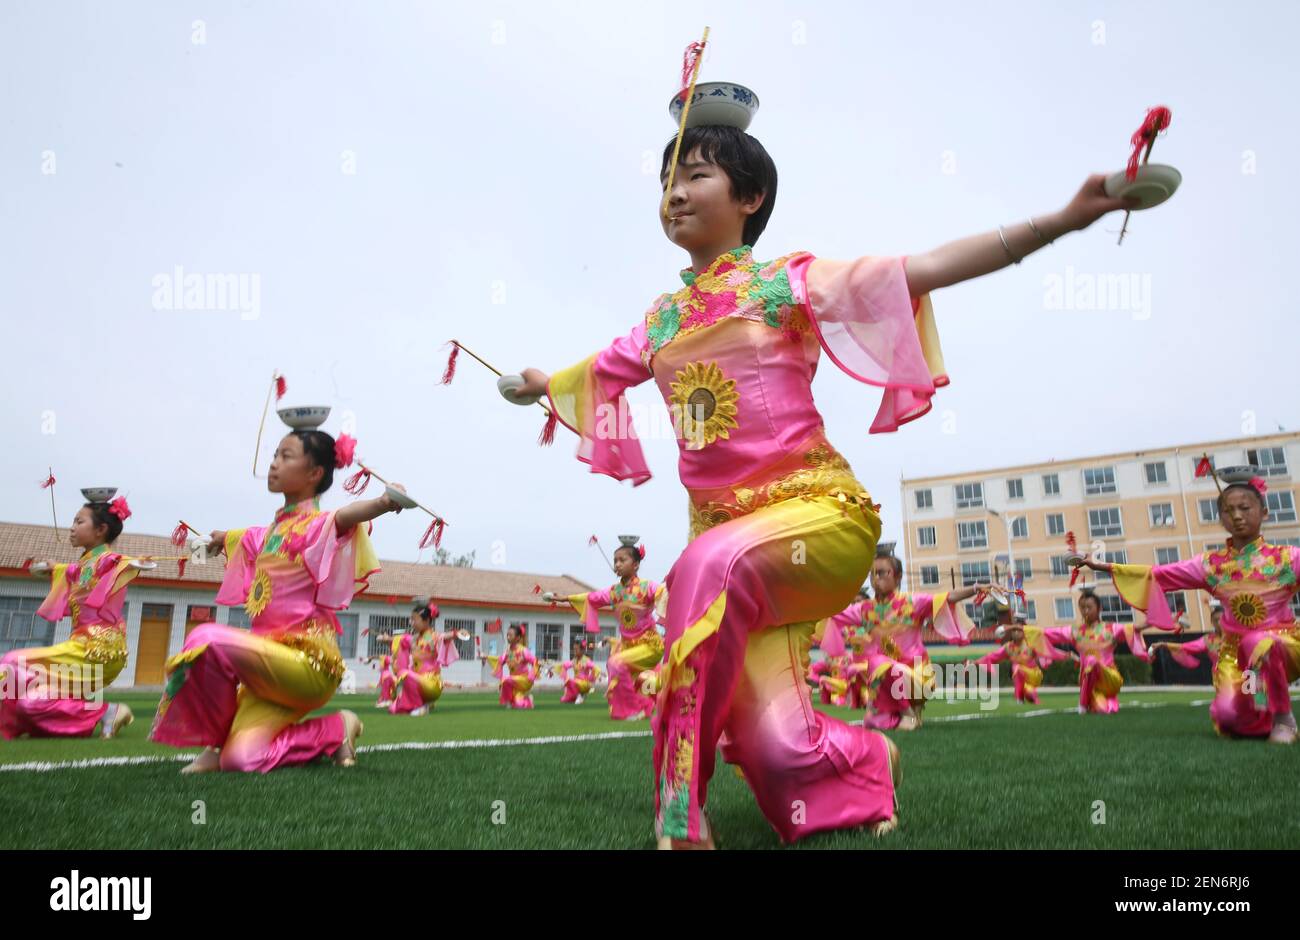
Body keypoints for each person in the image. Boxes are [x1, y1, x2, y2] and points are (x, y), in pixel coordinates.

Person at [507, 103, 1140, 846]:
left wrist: (1063, 220)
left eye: (695, 175)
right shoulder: (660, 321)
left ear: (750, 199)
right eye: (665, 181)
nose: (674, 193)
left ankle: (678, 812)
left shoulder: (788, 283)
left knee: (699, 570)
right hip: (732, 555)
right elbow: (593, 373)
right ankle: (870, 758)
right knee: (777, 751)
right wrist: (540, 386)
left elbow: (920, 269)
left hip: (819, 519)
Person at [149, 428, 401, 772]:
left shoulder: (320, 526)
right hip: (267, 669)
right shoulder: (264, 535)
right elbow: (231, 538)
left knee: (205, 639)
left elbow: (347, 516)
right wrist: (216, 540)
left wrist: (384, 503)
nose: (273, 465)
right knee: (241, 759)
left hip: (306, 664)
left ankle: (215, 740)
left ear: (314, 474)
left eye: (286, 456)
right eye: (274, 456)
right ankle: (336, 728)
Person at [1085, 477, 1299, 742]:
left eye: (1245, 508)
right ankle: (1261, 708)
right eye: (1228, 511)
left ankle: (1283, 719)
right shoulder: (1212, 565)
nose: (1237, 516)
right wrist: (1107, 567)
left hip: (1284, 644)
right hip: (1236, 655)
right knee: (1230, 716)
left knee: (1259, 642)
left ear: (1264, 512)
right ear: (1221, 518)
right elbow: (1159, 574)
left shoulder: (1289, 558)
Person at [1, 495, 139, 739]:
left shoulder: (108, 560)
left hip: (97, 651)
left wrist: (132, 563)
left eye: (79, 521)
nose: (72, 527)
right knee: (31, 700)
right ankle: (105, 712)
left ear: (101, 530)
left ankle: (101, 710)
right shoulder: (83, 564)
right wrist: (53, 568)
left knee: (11, 662)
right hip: (83, 649)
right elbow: (71, 571)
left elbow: (116, 563)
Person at [549, 542, 664, 720]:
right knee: (632, 679)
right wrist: (565, 598)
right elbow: (591, 597)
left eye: (622, 560)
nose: (617, 564)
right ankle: (645, 704)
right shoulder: (614, 592)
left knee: (615, 663)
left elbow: (666, 596)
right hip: (629, 648)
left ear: (636, 564)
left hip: (650, 646)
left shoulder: (647, 587)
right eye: (615, 560)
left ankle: (633, 710)